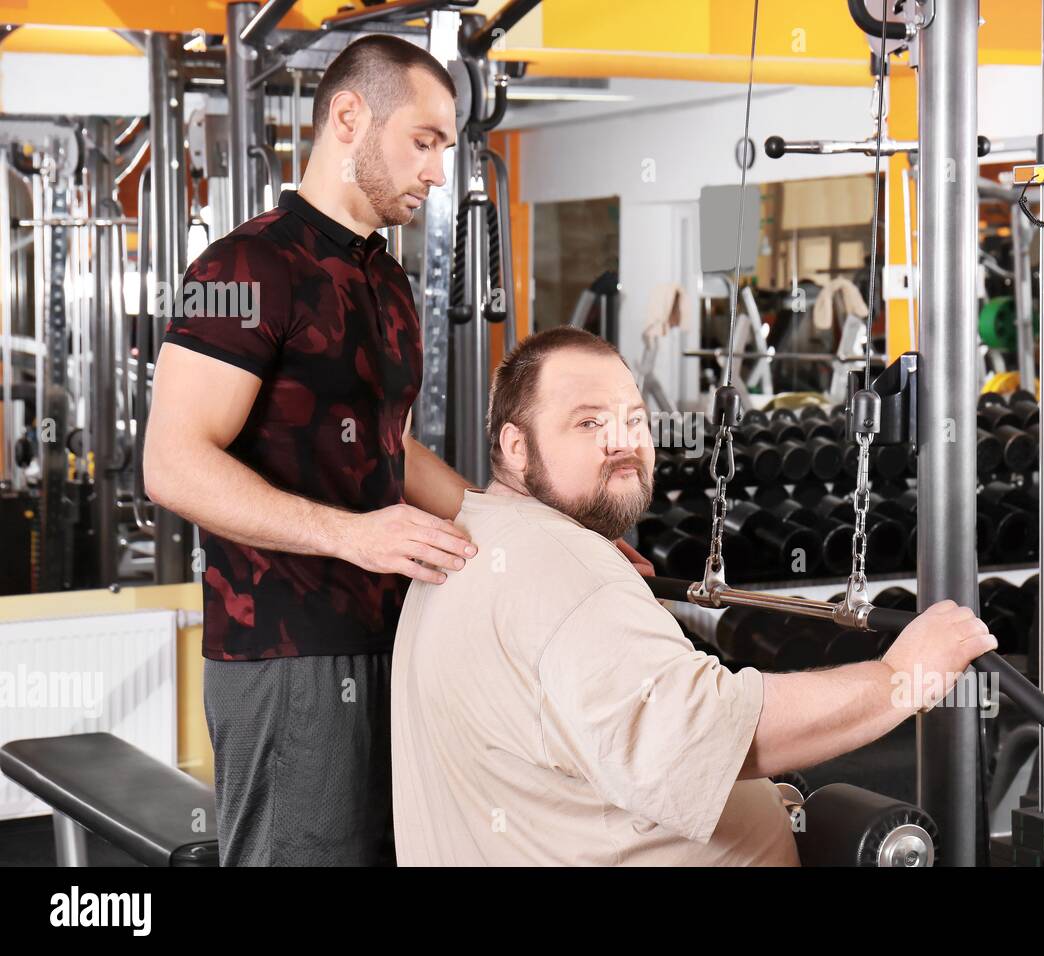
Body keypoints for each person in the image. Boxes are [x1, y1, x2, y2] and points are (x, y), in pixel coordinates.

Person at [390, 326, 997, 865]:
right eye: (588, 422)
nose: (621, 441)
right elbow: (709, 735)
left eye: (634, 419)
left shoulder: (475, 537)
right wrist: (903, 676)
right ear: (516, 447)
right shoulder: (567, 574)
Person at [145, 34, 475, 866]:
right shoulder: (242, 264)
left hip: (394, 635)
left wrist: (522, 527)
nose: (438, 173)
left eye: (445, 149)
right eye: (424, 143)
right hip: (289, 649)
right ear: (349, 116)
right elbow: (173, 462)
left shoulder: (387, 280)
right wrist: (352, 535)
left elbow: (391, 448)